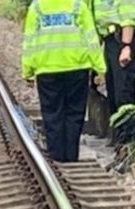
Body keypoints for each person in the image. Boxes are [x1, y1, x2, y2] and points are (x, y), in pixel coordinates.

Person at [21, 0, 105, 162]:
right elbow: (91, 39)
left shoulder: (37, 7)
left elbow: (29, 41)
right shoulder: (78, 6)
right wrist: (100, 68)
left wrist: (28, 70)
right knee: (74, 114)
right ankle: (71, 156)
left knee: (52, 114)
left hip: (47, 70)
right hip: (77, 69)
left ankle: (57, 157)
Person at [89, 0, 135, 145]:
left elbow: (129, 13)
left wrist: (126, 46)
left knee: (124, 92)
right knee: (114, 92)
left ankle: (128, 141)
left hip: (124, 39)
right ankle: (120, 138)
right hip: (111, 41)